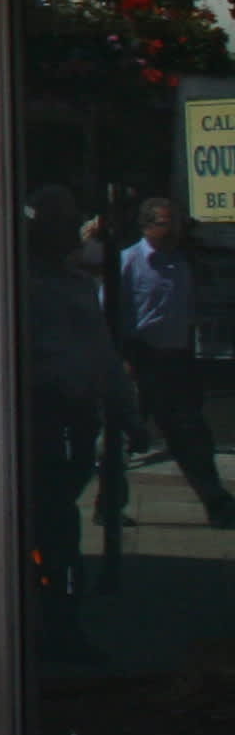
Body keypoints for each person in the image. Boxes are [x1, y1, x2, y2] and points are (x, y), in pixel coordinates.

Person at [120, 195, 235, 527]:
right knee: (121, 439)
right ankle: (108, 504)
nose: (173, 231)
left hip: (176, 359)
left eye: (176, 224)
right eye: (166, 224)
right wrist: (123, 356)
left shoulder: (183, 260)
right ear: (147, 226)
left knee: (191, 436)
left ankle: (217, 502)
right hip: (139, 358)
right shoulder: (129, 262)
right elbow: (109, 314)